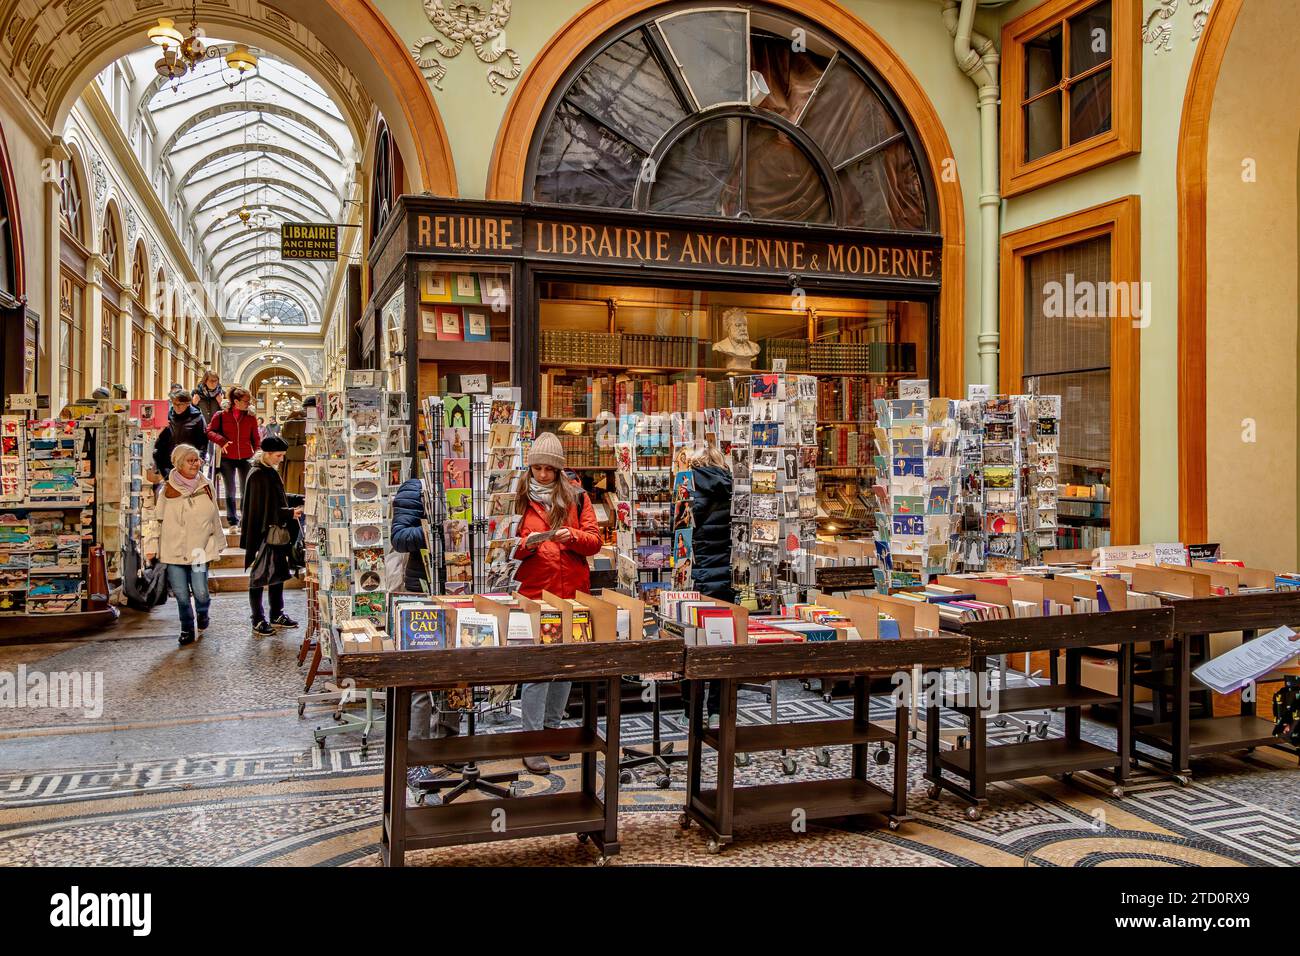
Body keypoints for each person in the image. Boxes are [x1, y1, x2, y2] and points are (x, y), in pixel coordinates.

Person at [512, 432, 602, 774]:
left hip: (572, 592)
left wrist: (573, 536)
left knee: (565, 666)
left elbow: (593, 541)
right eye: (537, 468)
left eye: (550, 469)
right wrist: (528, 544)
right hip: (535, 593)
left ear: (560, 470)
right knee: (539, 669)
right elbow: (506, 543)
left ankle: (552, 728)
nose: (543, 475)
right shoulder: (519, 498)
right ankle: (532, 740)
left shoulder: (577, 498)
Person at [390, 475, 461, 786]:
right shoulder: (414, 488)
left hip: (461, 585)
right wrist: (443, 531)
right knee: (422, 672)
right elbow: (400, 537)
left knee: (458, 670)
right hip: (423, 588)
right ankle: (416, 751)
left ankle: (449, 741)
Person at [143, 444, 223, 646]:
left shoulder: (206, 486)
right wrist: (151, 546)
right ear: (178, 464)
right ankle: (187, 628)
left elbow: (215, 518)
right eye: (190, 460)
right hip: (173, 551)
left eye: (197, 460)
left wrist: (219, 543)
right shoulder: (166, 491)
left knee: (201, 592)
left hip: (198, 550)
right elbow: (157, 520)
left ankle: (203, 614)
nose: (195, 464)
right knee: (181, 594)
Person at [684, 442, 734, 728]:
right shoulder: (732, 488)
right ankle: (716, 710)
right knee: (721, 644)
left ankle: (691, 711)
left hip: (698, 578)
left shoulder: (688, 489)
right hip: (726, 578)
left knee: (692, 646)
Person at [240, 435, 303, 636]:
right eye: (278, 455)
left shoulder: (269, 471)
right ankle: (257, 618)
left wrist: (298, 498)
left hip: (275, 534)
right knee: (259, 577)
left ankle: (277, 613)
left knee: (278, 575)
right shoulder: (258, 474)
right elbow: (262, 510)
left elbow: (277, 498)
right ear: (266, 454)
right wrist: (289, 512)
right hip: (265, 535)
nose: (281, 459)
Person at [207, 386, 259, 531]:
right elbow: (209, 431)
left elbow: (256, 437)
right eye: (246, 401)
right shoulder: (221, 415)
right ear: (236, 401)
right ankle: (233, 522)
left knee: (246, 490)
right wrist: (221, 440)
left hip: (246, 457)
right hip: (226, 457)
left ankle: (245, 520)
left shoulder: (250, 417)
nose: (249, 404)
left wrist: (258, 453)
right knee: (230, 490)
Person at [152, 388, 209, 480]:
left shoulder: (197, 417)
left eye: (179, 404)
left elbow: (203, 441)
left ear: (187, 403)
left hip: (189, 461)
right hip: (169, 461)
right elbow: (161, 441)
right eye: (174, 404)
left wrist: (200, 458)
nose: (176, 407)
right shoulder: (168, 415)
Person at [192, 371, 224, 458]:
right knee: (200, 453)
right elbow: (191, 412)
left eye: (216, 380)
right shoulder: (196, 392)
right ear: (205, 381)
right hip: (201, 427)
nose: (214, 383)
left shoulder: (221, 393)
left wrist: (221, 403)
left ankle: (212, 471)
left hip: (216, 429)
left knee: (215, 455)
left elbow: (226, 413)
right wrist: (193, 404)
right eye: (211, 381)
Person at [279, 407, 308, 497]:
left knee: (291, 491)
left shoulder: (288, 424)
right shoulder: (310, 423)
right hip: (307, 462)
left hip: (290, 463)